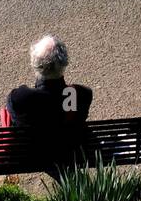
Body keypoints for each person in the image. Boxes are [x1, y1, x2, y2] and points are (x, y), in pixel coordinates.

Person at [6, 35, 94, 177]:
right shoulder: (82, 94)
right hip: (69, 153)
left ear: (35, 63)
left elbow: (12, 112)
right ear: (64, 63)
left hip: (31, 157)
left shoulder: (20, 98)